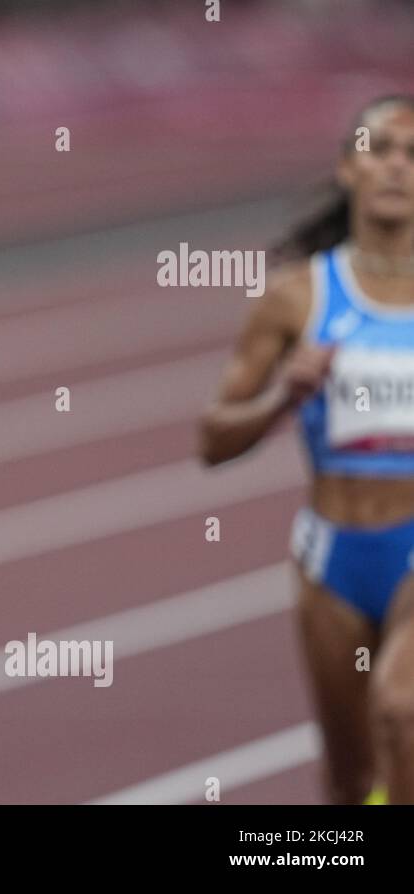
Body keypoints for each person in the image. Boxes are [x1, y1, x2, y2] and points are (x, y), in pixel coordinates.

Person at [199, 95, 414, 804]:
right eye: (380, 148)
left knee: (401, 710)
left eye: (412, 156)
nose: (397, 167)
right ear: (349, 167)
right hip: (332, 555)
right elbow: (213, 440)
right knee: (351, 775)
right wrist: (283, 396)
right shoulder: (297, 297)